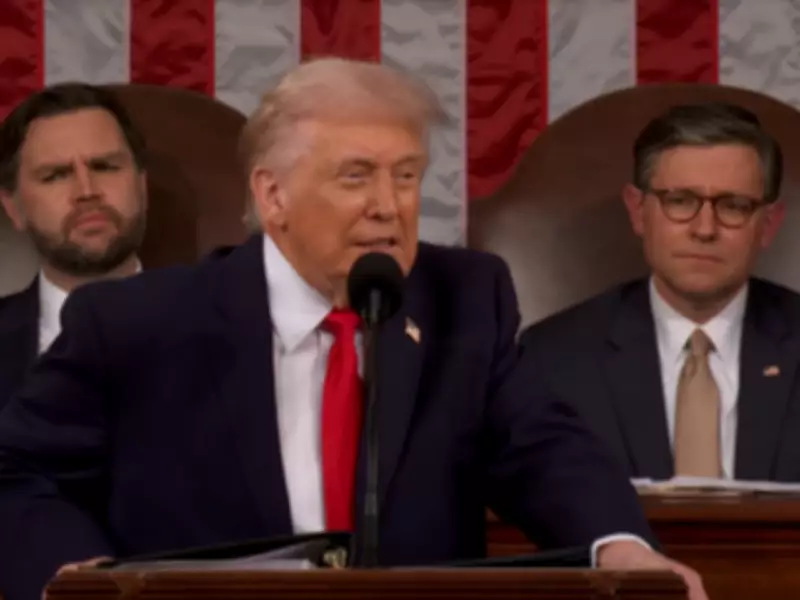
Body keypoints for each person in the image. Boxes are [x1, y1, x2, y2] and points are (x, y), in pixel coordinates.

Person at [0, 58, 706, 600]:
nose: (388, 206)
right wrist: (76, 575)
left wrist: (621, 549)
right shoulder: (139, 322)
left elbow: (543, 447)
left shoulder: (462, 297)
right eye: (356, 176)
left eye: (406, 177)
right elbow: (17, 473)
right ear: (271, 194)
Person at [520, 102, 797, 483]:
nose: (704, 229)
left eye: (733, 206)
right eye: (680, 201)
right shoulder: (554, 359)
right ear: (638, 211)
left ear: (767, 224)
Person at [0, 83, 147, 407]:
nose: (86, 190)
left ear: (142, 185)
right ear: (14, 209)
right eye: (55, 175)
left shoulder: (230, 331)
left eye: (104, 166)